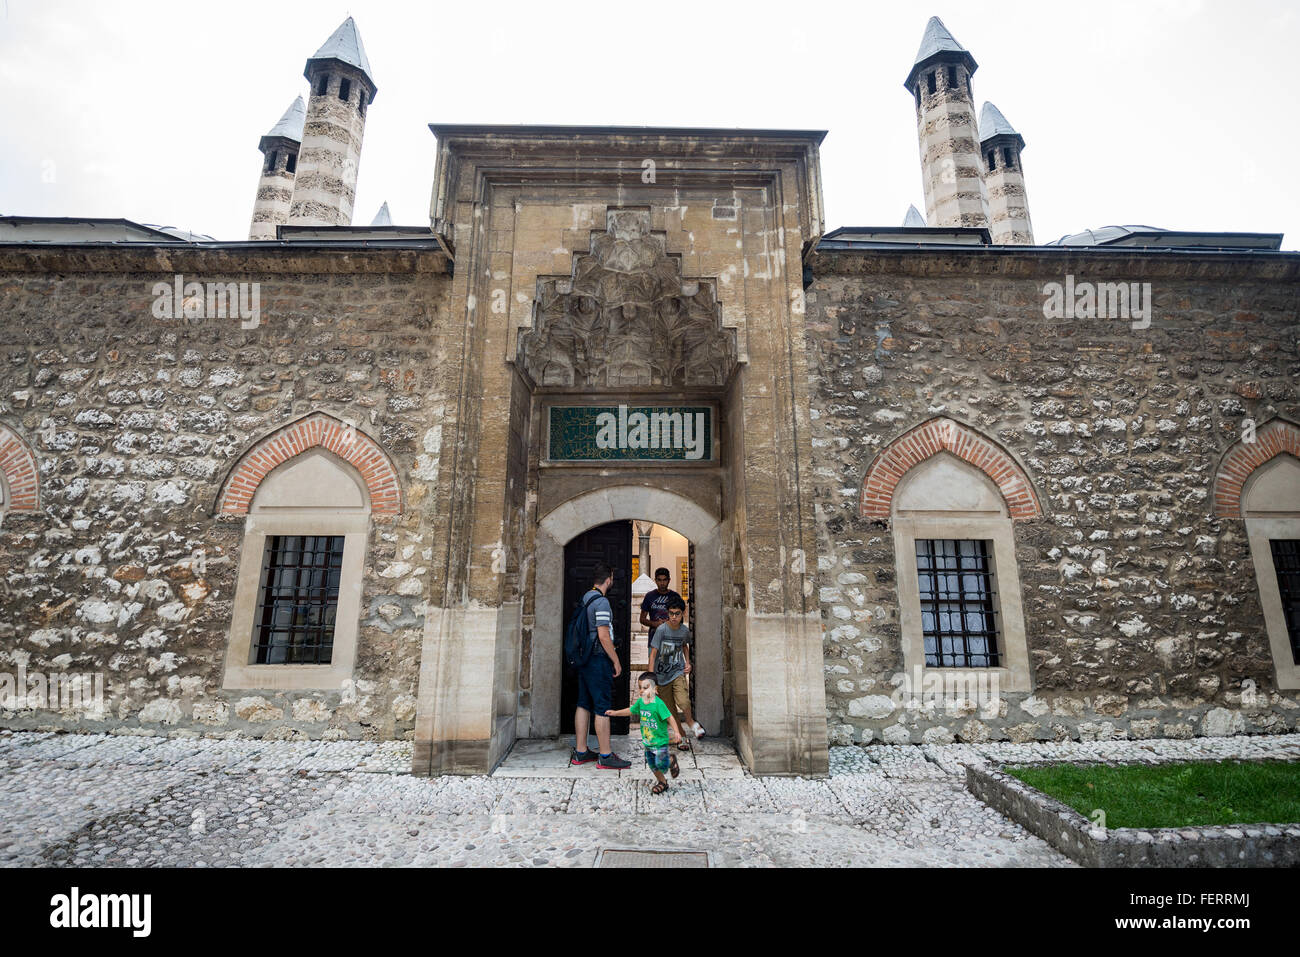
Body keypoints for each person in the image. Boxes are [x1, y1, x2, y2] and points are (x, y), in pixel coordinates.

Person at [571, 562, 630, 769]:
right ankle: (605, 755)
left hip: (584, 658)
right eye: (612, 578)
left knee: (583, 703)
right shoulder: (602, 602)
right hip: (598, 658)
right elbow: (604, 635)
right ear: (609, 579)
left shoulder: (586, 597)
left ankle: (580, 751)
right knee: (602, 706)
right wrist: (616, 660)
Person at [606, 672, 682, 794]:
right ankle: (662, 782)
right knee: (653, 766)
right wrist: (615, 713)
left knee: (661, 764)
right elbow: (630, 710)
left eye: (645, 688)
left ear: (655, 689)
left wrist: (677, 732)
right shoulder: (641, 703)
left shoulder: (659, 704)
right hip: (648, 743)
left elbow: (670, 718)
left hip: (659, 741)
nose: (641, 691)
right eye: (640, 687)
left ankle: (671, 760)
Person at [649, 596, 706, 746]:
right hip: (661, 676)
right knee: (670, 710)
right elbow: (653, 654)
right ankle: (681, 737)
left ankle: (691, 722)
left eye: (677, 613)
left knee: (683, 700)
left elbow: (684, 646)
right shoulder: (661, 630)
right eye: (671, 613)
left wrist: (687, 663)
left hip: (677, 672)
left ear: (683, 614)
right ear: (667, 613)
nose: (674, 617)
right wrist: (651, 680)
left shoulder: (684, 631)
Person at [639, 567, 682, 634]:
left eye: (665, 580)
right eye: (659, 580)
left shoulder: (675, 596)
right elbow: (642, 619)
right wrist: (654, 624)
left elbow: (681, 618)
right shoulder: (649, 596)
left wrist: (670, 623)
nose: (662, 583)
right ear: (655, 580)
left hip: (672, 637)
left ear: (669, 580)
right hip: (654, 638)